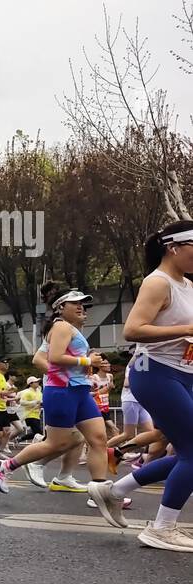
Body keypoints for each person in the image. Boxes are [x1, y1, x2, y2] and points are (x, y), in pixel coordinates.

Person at [91, 221, 193, 547]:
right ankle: (161, 528)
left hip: (183, 374)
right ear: (174, 247)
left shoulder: (188, 285)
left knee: (185, 451)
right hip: (156, 373)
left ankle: (113, 491)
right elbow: (133, 330)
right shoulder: (157, 282)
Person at [0, 290, 110, 508]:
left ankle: (100, 492)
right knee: (57, 443)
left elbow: (42, 358)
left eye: (84, 304)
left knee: (98, 439)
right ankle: (5, 466)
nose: (82, 307)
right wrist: (85, 361)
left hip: (79, 392)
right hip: (64, 393)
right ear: (60, 308)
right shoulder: (62, 326)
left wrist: (84, 370)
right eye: (75, 303)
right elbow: (53, 359)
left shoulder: (70, 329)